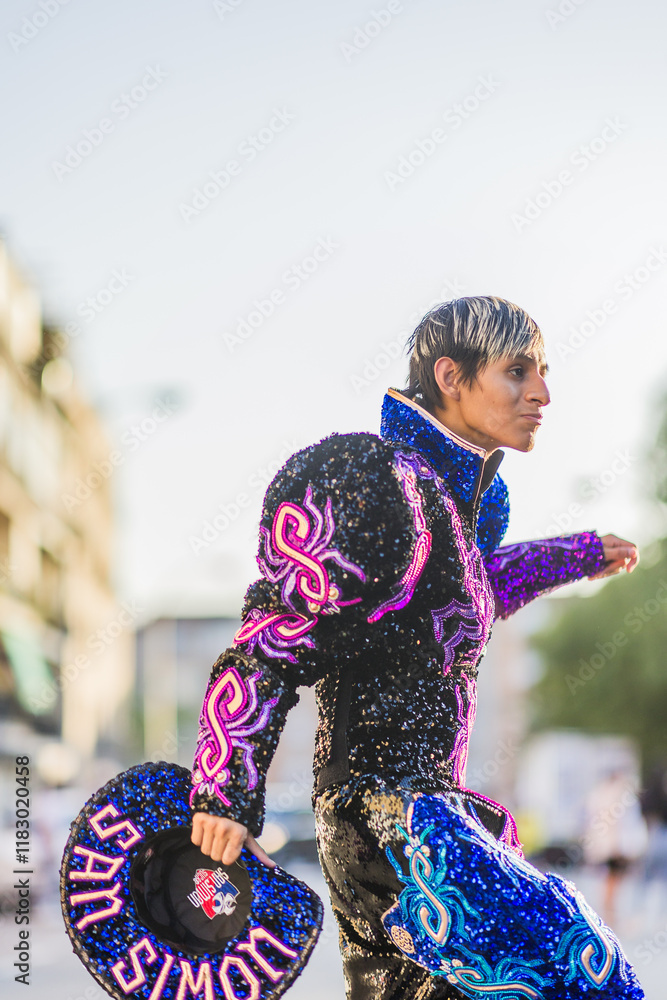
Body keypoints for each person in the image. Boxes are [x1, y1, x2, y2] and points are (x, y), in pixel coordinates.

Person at [188, 296, 641, 998]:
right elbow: (272, 643)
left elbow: (466, 596)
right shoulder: (379, 484)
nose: (542, 394)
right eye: (517, 371)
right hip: (385, 822)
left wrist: (575, 553)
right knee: (581, 967)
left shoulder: (449, 509)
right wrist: (224, 791)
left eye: (542, 372)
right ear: (451, 376)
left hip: (421, 818)